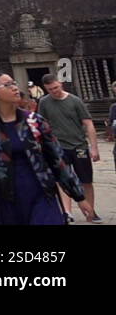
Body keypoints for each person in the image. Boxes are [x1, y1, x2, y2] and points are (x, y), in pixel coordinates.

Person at [0, 70, 90, 225]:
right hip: (7, 197)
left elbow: (57, 158)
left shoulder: (34, 121)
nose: (15, 87)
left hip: (40, 191)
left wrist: (78, 195)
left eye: (14, 83)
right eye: (7, 85)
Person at [37, 74, 102, 224]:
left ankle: (90, 211)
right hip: (58, 147)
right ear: (46, 89)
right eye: (51, 90)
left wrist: (94, 148)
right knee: (62, 179)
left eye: (56, 87)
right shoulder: (44, 102)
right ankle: (67, 212)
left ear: (60, 84)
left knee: (86, 180)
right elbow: (41, 124)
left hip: (78, 146)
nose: (55, 91)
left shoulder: (74, 101)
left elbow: (88, 124)